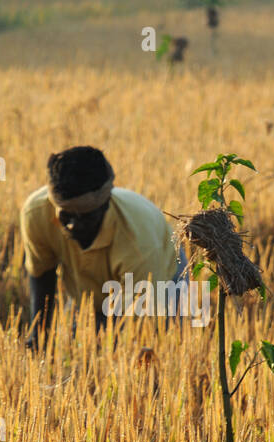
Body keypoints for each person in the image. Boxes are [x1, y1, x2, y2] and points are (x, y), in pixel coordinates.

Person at [20, 146, 186, 349]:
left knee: (148, 349)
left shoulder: (138, 241)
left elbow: (140, 320)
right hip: (90, 289)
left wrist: (104, 338)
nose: (72, 225)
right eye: (66, 215)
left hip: (161, 282)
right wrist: (39, 332)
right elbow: (42, 272)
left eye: (85, 217)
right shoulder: (36, 213)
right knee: (76, 348)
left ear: (106, 204)